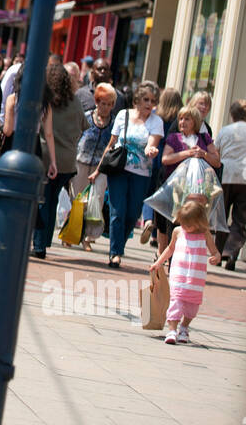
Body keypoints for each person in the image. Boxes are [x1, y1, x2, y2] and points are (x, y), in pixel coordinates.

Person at [89, 81, 164, 268]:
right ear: (137, 99)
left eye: (153, 101)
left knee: (132, 214)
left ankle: (118, 246)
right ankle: (115, 253)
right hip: (119, 170)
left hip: (141, 173)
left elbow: (152, 142)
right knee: (117, 212)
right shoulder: (123, 115)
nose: (149, 104)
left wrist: (151, 150)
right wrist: (99, 170)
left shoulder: (156, 122)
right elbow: (111, 144)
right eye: (146, 99)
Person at [31, 58, 85, 259]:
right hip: (67, 160)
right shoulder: (75, 100)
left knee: (43, 200)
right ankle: (44, 241)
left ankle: (39, 244)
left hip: (47, 156)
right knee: (52, 201)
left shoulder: (44, 99)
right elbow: (84, 125)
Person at [156, 106, 221, 266]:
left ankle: (192, 260)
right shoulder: (174, 138)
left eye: (187, 119)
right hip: (177, 189)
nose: (182, 122)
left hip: (198, 191)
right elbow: (165, 159)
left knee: (197, 224)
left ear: (196, 122)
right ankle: (173, 263)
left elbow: (217, 162)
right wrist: (187, 153)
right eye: (180, 119)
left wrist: (203, 154)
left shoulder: (205, 138)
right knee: (175, 223)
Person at [151, 197, 222, 344]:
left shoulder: (205, 234)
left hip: (196, 278)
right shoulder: (178, 231)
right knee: (176, 301)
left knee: (192, 306)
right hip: (178, 275)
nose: (185, 226)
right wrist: (159, 262)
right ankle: (172, 330)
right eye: (183, 223)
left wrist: (216, 257)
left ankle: (184, 326)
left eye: (188, 224)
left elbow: (215, 251)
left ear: (199, 222)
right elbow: (170, 248)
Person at [214, 99, 246, 269]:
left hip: (228, 174)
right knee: (240, 219)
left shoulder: (225, 130)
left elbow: (216, 151)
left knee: (222, 215)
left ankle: (218, 253)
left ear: (232, 114)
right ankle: (231, 252)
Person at [70, 82, 117, 250]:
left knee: (95, 200)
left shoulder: (113, 123)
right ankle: (73, 232)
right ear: (96, 101)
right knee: (77, 199)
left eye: (109, 104)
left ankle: (88, 238)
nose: (105, 107)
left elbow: (112, 145)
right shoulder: (87, 116)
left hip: (101, 165)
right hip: (81, 161)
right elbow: (75, 136)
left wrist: (99, 169)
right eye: (102, 103)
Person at [141, 87, 185, 251]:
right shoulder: (179, 121)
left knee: (150, 194)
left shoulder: (155, 117)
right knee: (166, 198)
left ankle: (147, 221)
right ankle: (156, 235)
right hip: (170, 165)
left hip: (154, 159)